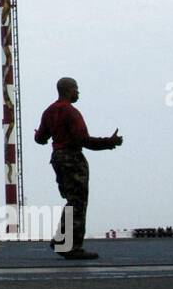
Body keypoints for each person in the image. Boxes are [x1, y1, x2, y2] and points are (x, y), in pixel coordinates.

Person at [33, 77, 122, 260]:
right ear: (68, 90)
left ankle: (62, 241)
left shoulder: (49, 112)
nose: (78, 93)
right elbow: (84, 140)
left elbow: (40, 139)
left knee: (72, 200)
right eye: (76, 89)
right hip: (72, 158)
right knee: (78, 202)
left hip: (57, 158)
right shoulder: (71, 112)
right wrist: (109, 143)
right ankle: (71, 246)